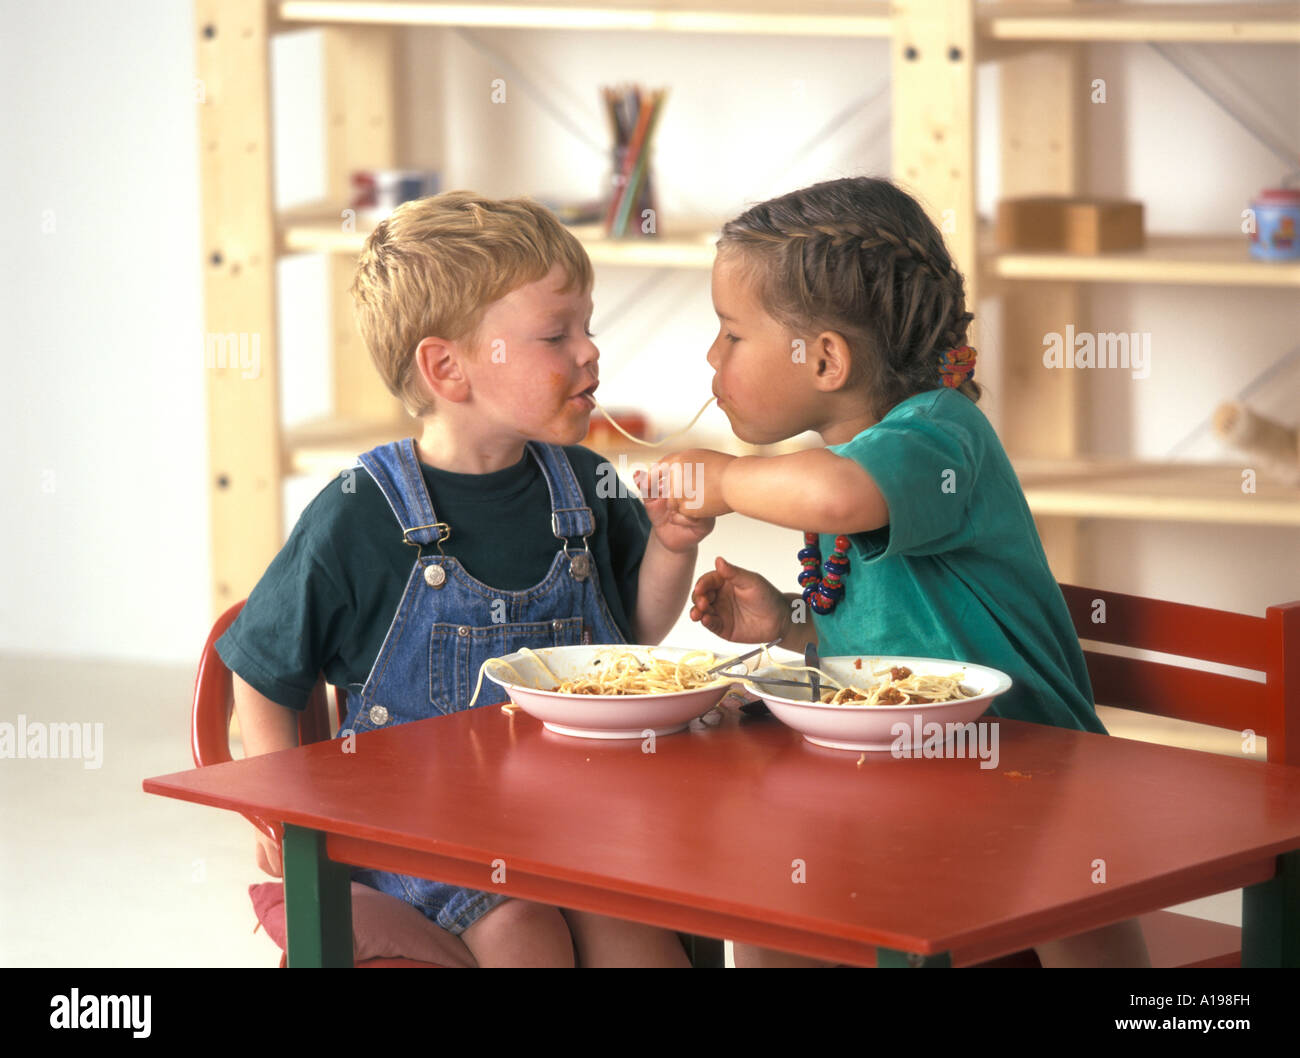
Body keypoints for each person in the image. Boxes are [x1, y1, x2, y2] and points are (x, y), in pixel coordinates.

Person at [654, 176, 1151, 969]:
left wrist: (720, 480)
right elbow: (893, 625)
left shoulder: (935, 438)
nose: (712, 355)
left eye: (731, 334)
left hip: (1027, 770)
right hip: (900, 781)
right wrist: (786, 621)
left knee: (1066, 890)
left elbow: (843, 494)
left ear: (825, 360)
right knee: (767, 889)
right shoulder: (842, 469)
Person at [219, 191, 710, 967]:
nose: (590, 352)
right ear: (447, 367)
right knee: (526, 936)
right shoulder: (359, 514)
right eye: (556, 334)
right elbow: (261, 669)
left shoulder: (584, 481)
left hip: (579, 817)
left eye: (588, 326)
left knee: (641, 944)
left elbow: (634, 638)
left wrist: (675, 545)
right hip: (424, 837)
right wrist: (281, 815)